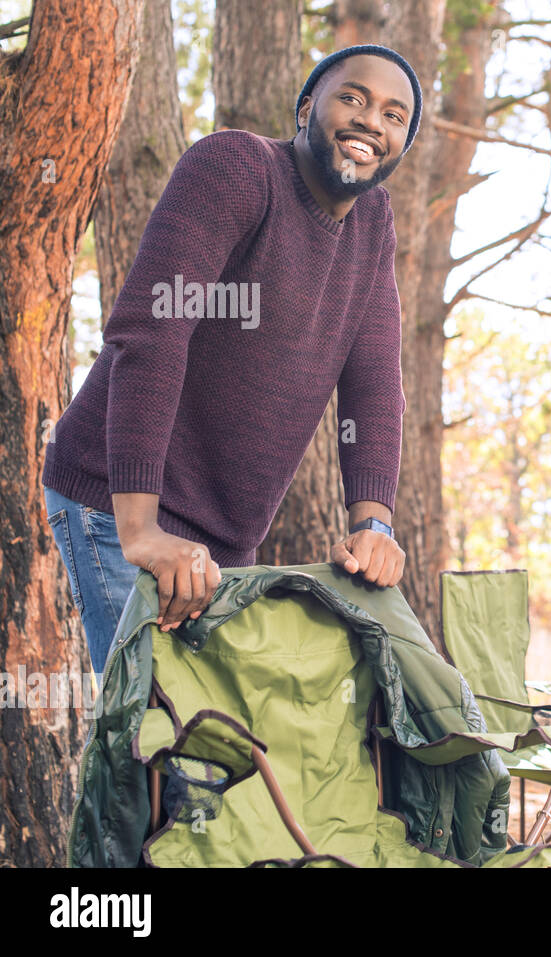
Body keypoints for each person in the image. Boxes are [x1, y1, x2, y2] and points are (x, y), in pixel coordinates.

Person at [41, 45, 421, 677]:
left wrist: (373, 522)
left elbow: (374, 382)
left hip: (228, 535)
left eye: (393, 114)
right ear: (307, 109)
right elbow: (153, 331)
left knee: (214, 749)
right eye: (351, 98)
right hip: (119, 503)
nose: (370, 121)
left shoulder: (372, 224)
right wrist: (140, 529)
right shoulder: (237, 167)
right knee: (148, 742)